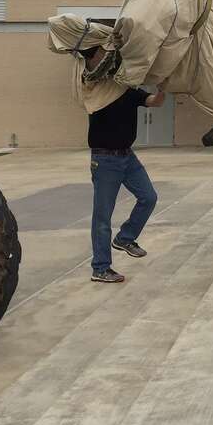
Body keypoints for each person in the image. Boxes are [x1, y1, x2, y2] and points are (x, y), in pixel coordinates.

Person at [83, 45, 165, 285]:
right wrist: (99, 51)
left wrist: (165, 85)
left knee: (149, 197)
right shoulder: (95, 89)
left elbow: (155, 102)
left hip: (127, 157)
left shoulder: (127, 91)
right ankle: (100, 268)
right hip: (105, 160)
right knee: (102, 217)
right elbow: (90, 67)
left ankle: (125, 238)